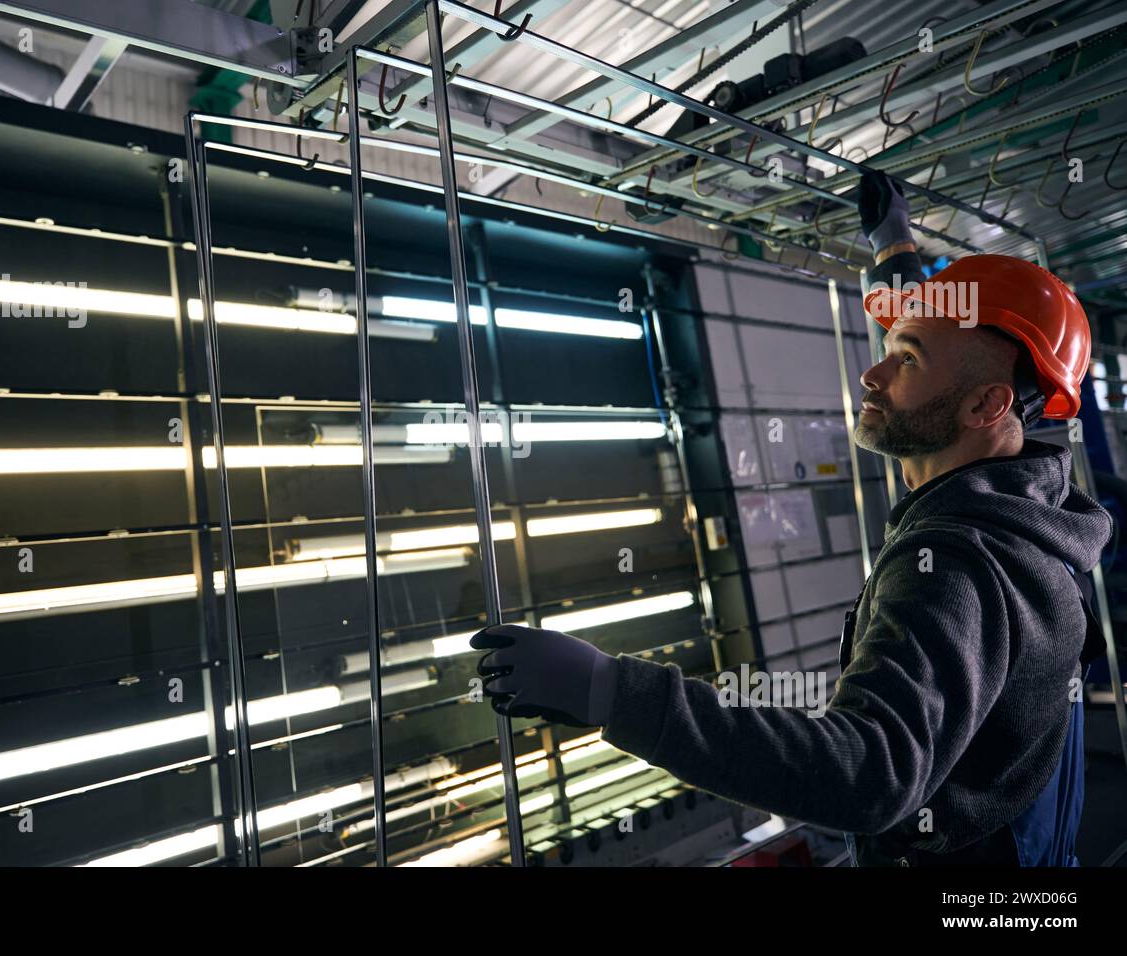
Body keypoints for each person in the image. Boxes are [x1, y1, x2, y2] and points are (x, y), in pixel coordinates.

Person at [470, 170, 1112, 866]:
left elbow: (867, 774)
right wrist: (893, 245)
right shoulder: (1025, 500)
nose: (872, 375)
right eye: (889, 346)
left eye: (904, 359)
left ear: (985, 408)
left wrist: (610, 694)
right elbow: (941, 360)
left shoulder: (956, 566)